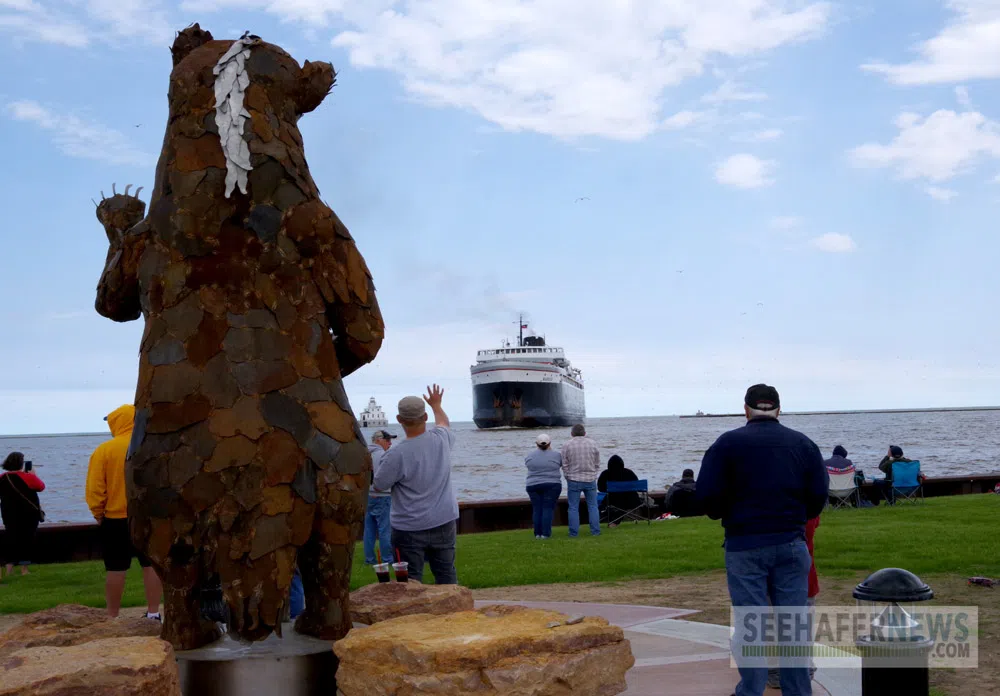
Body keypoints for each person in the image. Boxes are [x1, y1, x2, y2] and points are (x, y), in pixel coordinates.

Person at [696, 384, 828, 696]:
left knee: (750, 625)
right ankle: (798, 691)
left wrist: (727, 513)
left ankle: (750, 690)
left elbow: (708, 497)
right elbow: (818, 497)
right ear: (779, 410)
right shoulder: (803, 444)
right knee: (793, 627)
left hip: (744, 544)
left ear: (746, 410)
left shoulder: (726, 444)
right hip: (791, 543)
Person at [374, 385, 458, 584]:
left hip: (408, 527)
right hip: (444, 520)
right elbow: (444, 423)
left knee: (410, 583)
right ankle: (455, 613)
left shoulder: (395, 454)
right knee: (446, 577)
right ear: (425, 417)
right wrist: (436, 405)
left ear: (399, 419)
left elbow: (379, 485)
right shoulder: (441, 439)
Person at [85, 405, 163, 619]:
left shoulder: (104, 451)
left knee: (116, 568)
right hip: (147, 517)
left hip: (115, 518)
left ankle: (112, 616)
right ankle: (154, 613)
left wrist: (98, 513)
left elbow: (95, 488)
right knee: (151, 565)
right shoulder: (150, 448)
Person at [0, 452, 45, 581]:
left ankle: (9, 569)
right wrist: (33, 475)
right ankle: (24, 569)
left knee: (11, 538)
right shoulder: (28, 477)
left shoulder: (2, 477)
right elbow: (41, 487)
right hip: (28, 514)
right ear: (21, 464)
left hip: (8, 514)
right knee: (27, 539)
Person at [560, 424, 601, 537]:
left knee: (573, 507)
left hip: (573, 479)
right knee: (593, 506)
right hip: (590, 479)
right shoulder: (593, 443)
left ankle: (573, 533)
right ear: (584, 433)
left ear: (572, 433)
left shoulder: (567, 445)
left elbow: (564, 464)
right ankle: (595, 532)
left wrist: (567, 476)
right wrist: (594, 473)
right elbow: (597, 462)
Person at [364, 429, 397, 564]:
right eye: (387, 440)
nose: (390, 443)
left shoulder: (364, 454)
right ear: (378, 440)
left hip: (367, 496)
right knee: (384, 529)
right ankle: (387, 559)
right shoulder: (384, 455)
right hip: (383, 495)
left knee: (369, 529)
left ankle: (369, 559)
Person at [524, 433, 562, 539]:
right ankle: (545, 533)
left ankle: (537, 534)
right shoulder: (557, 455)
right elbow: (560, 464)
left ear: (536, 444)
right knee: (547, 508)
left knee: (537, 509)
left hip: (532, 485)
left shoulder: (530, 455)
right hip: (552, 485)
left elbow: (528, 465)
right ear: (550, 443)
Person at [597, 455, 640, 526]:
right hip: (631, 501)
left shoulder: (605, 474)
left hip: (611, 501)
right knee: (621, 503)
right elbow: (637, 486)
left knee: (613, 504)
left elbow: (600, 488)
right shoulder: (629, 473)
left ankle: (612, 521)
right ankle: (615, 521)